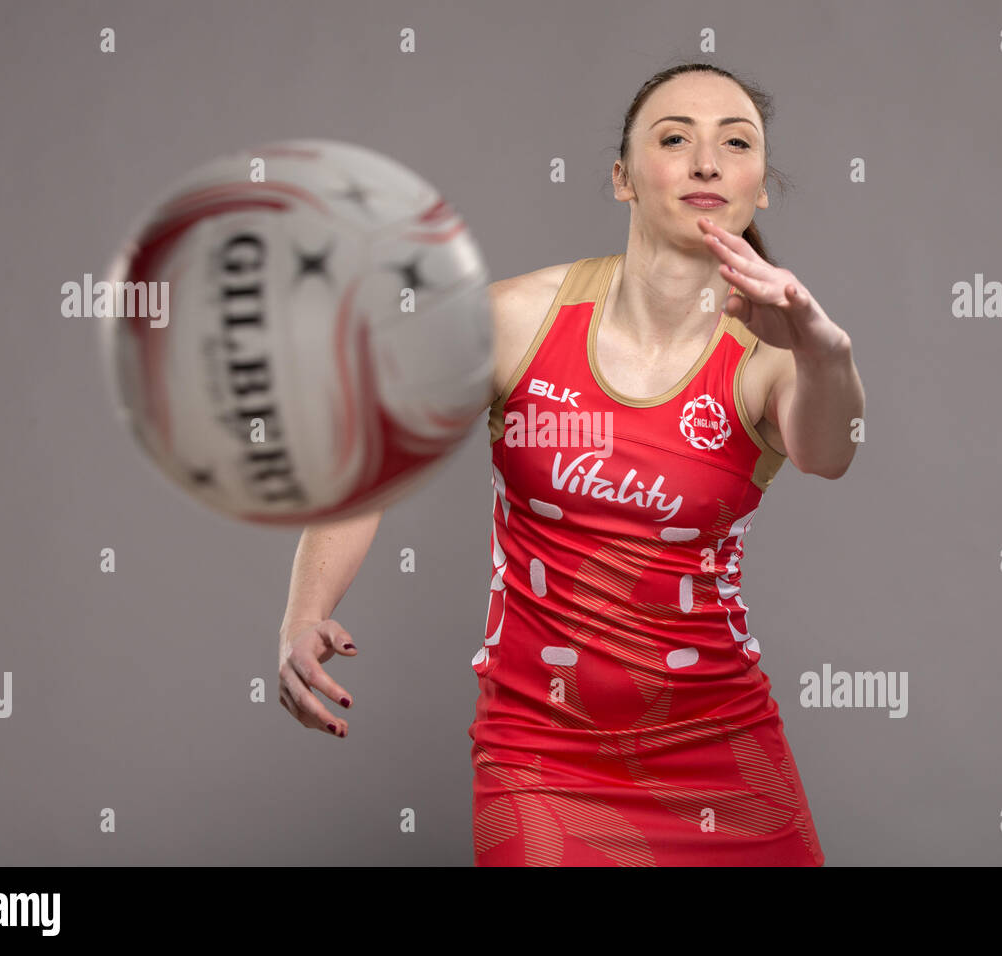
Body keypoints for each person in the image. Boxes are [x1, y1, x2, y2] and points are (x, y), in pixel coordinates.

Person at [277, 61, 864, 866]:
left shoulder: (772, 354)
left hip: (720, 745)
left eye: (735, 142)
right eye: (674, 139)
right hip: (540, 753)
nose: (706, 162)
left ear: (761, 185)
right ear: (622, 178)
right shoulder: (517, 319)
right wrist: (304, 615)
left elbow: (830, 454)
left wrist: (827, 349)